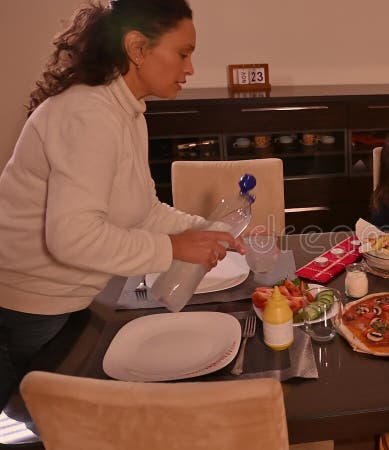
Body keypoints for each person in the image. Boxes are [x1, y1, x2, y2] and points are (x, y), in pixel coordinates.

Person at [0, 0, 238, 410]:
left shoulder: (126, 112)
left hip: (71, 299)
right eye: (183, 53)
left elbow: (144, 210)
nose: (190, 69)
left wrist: (210, 232)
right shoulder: (88, 114)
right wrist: (176, 248)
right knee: (62, 426)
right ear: (137, 48)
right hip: (29, 308)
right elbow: (72, 237)